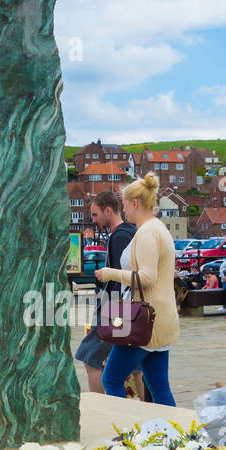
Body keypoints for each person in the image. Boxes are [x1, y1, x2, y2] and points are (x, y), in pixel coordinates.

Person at [94, 172, 180, 406]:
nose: (124, 211)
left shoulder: (146, 233)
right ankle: (174, 437)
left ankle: (126, 434)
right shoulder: (158, 228)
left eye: (124, 205)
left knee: (111, 379)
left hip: (144, 322)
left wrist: (109, 273)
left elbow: (146, 277)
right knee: (160, 388)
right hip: (160, 319)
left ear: (135, 203)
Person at [73, 190, 144, 398]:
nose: (93, 220)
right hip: (132, 308)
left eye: (95, 214)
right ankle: (148, 409)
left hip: (115, 309)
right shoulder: (132, 232)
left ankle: (101, 408)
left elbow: (123, 277)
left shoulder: (120, 235)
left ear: (108, 210)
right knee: (137, 366)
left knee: (89, 357)